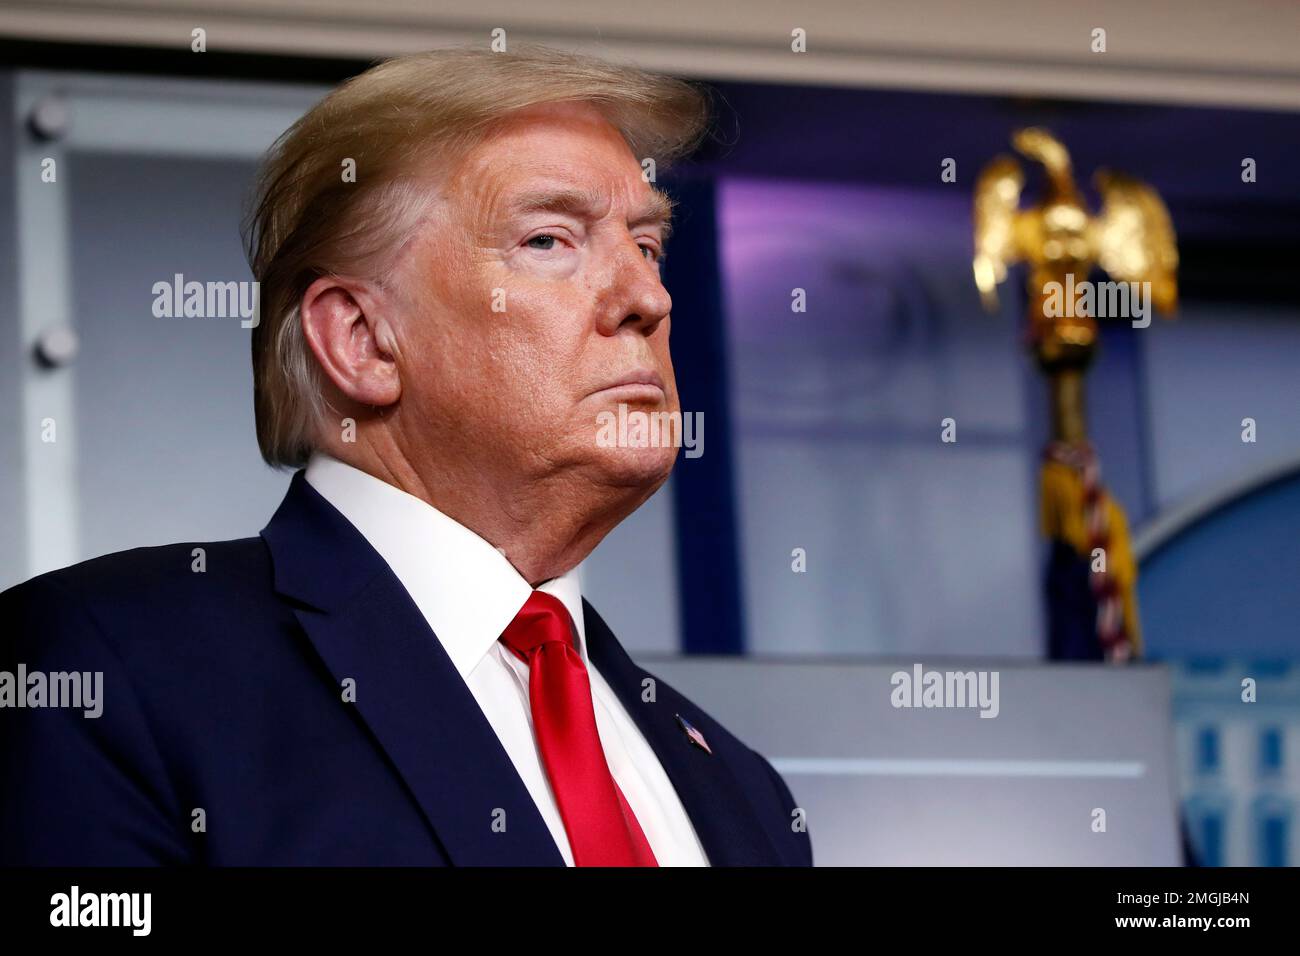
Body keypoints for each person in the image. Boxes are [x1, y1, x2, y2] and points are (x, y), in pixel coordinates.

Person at [0, 44, 811, 867]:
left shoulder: (744, 794)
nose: (649, 296)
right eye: (549, 240)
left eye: (647, 245)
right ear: (362, 342)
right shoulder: (103, 667)